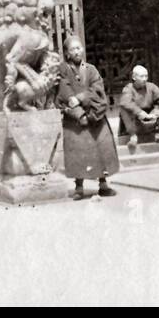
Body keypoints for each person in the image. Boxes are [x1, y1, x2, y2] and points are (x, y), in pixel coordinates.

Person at [56, 36, 120, 199]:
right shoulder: (63, 70)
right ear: (67, 53)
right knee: (78, 151)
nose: (77, 51)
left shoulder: (91, 70)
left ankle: (103, 183)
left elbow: (97, 91)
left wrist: (81, 98)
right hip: (75, 120)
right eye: (73, 49)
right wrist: (79, 114)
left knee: (101, 148)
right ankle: (79, 187)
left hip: (95, 116)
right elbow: (65, 95)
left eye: (79, 48)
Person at [118, 65, 159, 149]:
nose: (144, 79)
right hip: (136, 122)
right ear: (134, 77)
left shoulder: (151, 86)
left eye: (146, 76)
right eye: (141, 76)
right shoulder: (128, 88)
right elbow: (125, 102)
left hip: (151, 119)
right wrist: (139, 112)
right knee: (124, 109)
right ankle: (133, 136)